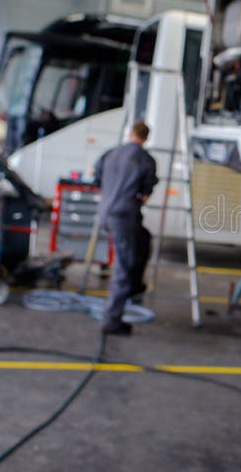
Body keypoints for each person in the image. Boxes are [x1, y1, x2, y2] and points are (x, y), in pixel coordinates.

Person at [93, 121, 158, 336]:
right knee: (123, 265)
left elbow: (96, 178)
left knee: (144, 240)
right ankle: (112, 320)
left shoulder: (110, 153)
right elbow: (146, 194)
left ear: (131, 134)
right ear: (146, 138)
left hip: (106, 211)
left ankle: (134, 287)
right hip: (124, 215)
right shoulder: (145, 159)